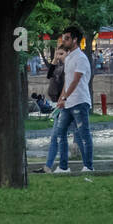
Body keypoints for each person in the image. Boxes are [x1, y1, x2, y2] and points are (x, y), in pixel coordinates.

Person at [45, 25, 94, 175]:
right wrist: (61, 100)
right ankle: (64, 167)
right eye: (63, 38)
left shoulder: (81, 58)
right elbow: (67, 81)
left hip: (79, 100)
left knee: (83, 134)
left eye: (67, 38)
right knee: (60, 133)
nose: (64, 41)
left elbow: (76, 81)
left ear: (75, 40)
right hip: (67, 103)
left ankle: (88, 166)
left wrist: (65, 97)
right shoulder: (69, 58)